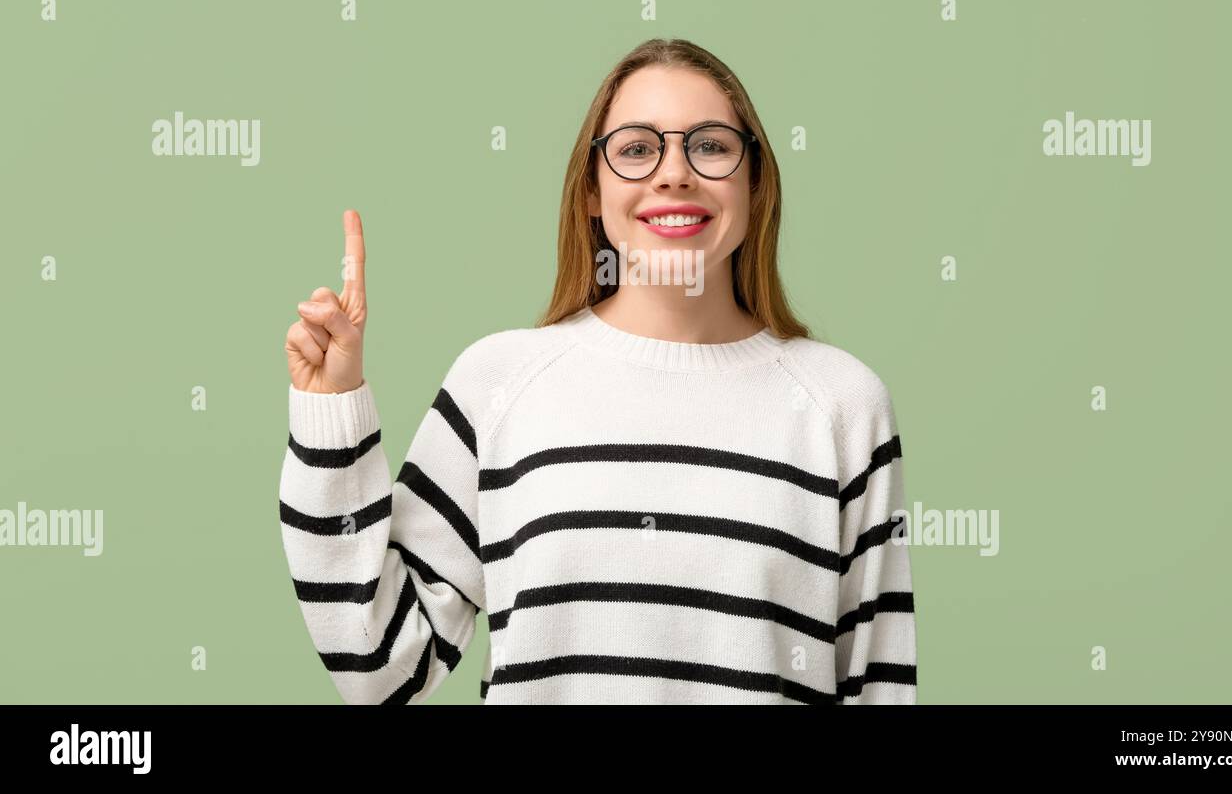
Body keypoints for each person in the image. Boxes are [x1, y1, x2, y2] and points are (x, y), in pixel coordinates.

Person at [280, 38, 917, 704]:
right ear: (592, 190)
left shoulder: (842, 405)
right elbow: (377, 664)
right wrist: (333, 412)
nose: (674, 173)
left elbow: (880, 686)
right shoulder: (498, 383)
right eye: (638, 148)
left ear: (756, 185)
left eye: (710, 146)